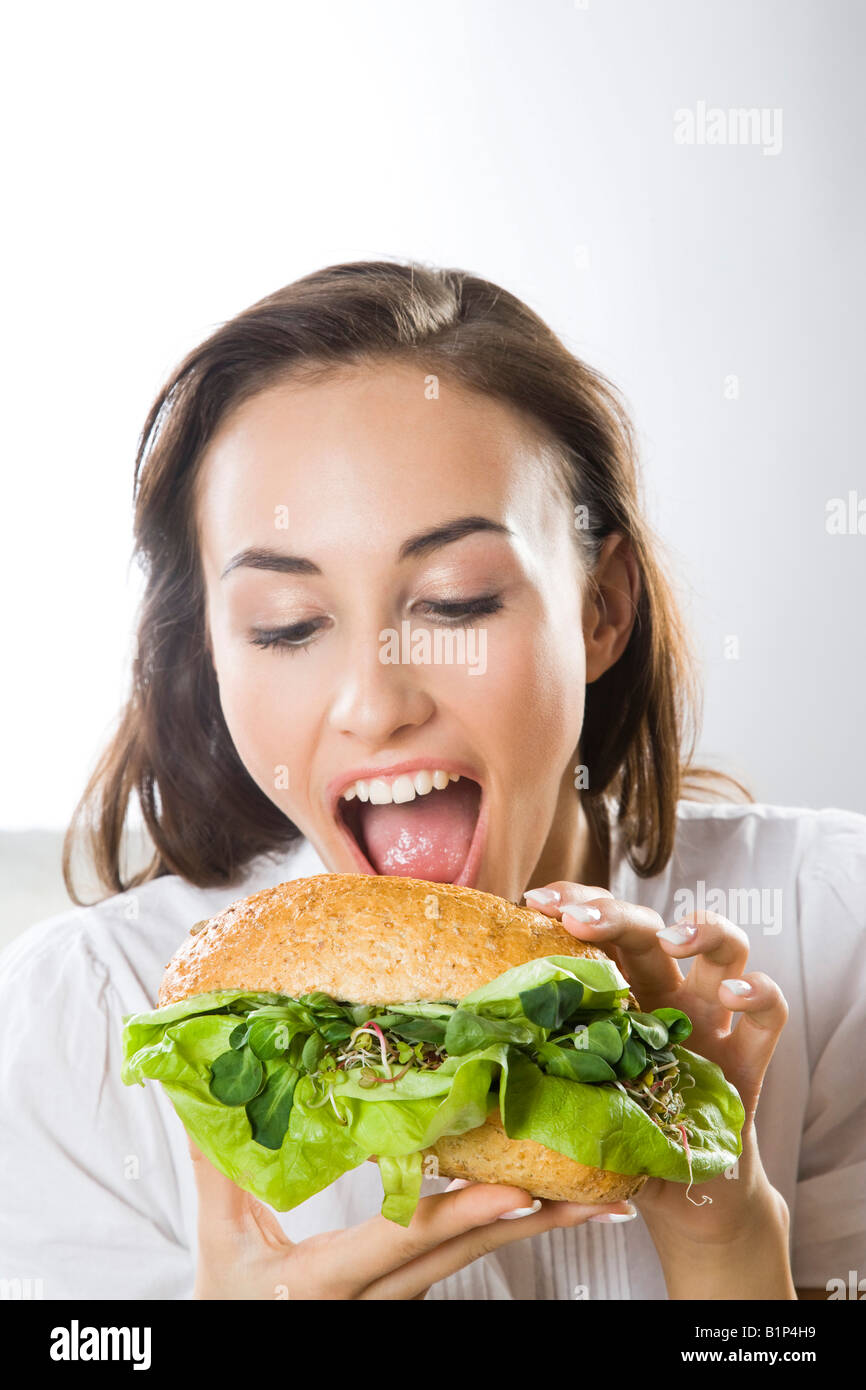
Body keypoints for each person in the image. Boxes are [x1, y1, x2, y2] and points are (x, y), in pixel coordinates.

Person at [1, 261, 863, 1301]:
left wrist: (723, 1236)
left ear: (601, 609)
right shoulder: (85, 1025)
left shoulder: (831, 933)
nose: (373, 700)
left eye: (455, 603)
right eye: (287, 624)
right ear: (213, 657)